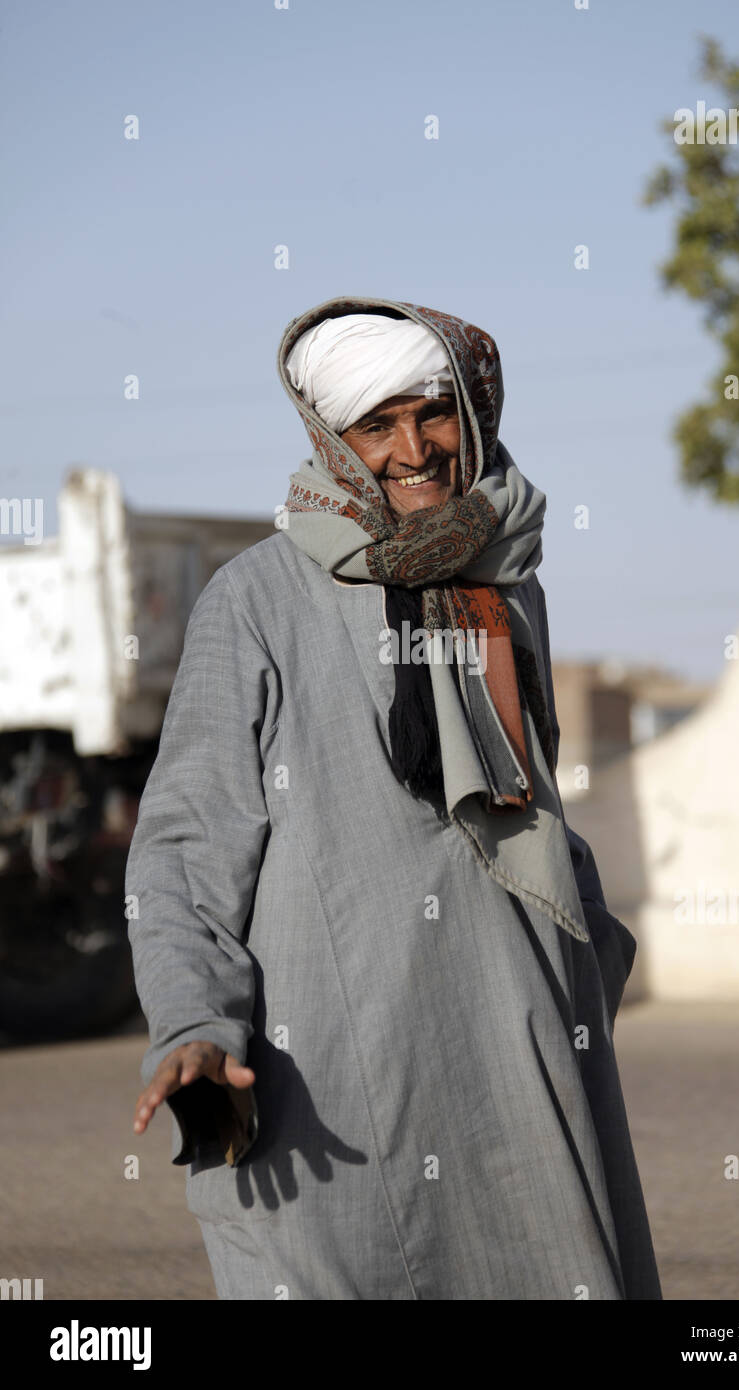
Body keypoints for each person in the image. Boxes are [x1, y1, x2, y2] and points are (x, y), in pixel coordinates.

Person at [127, 295, 662, 1301]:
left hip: (515, 1036)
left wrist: (587, 943)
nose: (413, 448)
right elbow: (187, 843)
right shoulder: (257, 597)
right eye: (376, 423)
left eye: (432, 412)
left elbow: (529, 799)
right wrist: (193, 1022)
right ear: (332, 439)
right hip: (336, 1058)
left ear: (473, 408)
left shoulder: (508, 585)